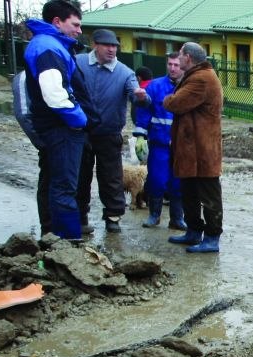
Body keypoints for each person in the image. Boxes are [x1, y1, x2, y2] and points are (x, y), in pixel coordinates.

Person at [23, 0, 95, 240]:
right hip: (62, 128)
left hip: (57, 127)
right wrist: (79, 119)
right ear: (57, 22)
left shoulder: (50, 45)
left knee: (53, 183)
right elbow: (55, 94)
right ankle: (67, 244)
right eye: (75, 24)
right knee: (64, 187)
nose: (79, 30)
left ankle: (51, 236)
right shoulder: (48, 48)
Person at [75, 28, 147, 234]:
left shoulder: (124, 72)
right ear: (95, 45)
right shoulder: (78, 64)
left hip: (109, 133)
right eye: (107, 45)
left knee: (111, 177)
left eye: (115, 46)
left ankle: (113, 217)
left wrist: (141, 97)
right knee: (80, 176)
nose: (111, 49)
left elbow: (135, 93)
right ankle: (80, 216)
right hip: (81, 131)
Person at [163, 42, 224, 253]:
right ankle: (194, 232)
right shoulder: (196, 75)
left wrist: (167, 99)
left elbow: (175, 103)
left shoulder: (201, 79)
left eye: (180, 55)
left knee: (209, 194)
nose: (177, 59)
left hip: (203, 149)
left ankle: (212, 238)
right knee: (189, 192)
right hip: (192, 149)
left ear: (188, 57)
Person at [133, 52, 186, 229]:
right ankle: (154, 215)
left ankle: (177, 218)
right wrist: (141, 134)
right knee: (157, 180)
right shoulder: (155, 86)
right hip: (159, 142)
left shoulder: (188, 86)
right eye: (170, 64)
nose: (172, 68)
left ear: (183, 65)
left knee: (178, 182)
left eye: (176, 65)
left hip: (181, 145)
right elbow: (144, 111)